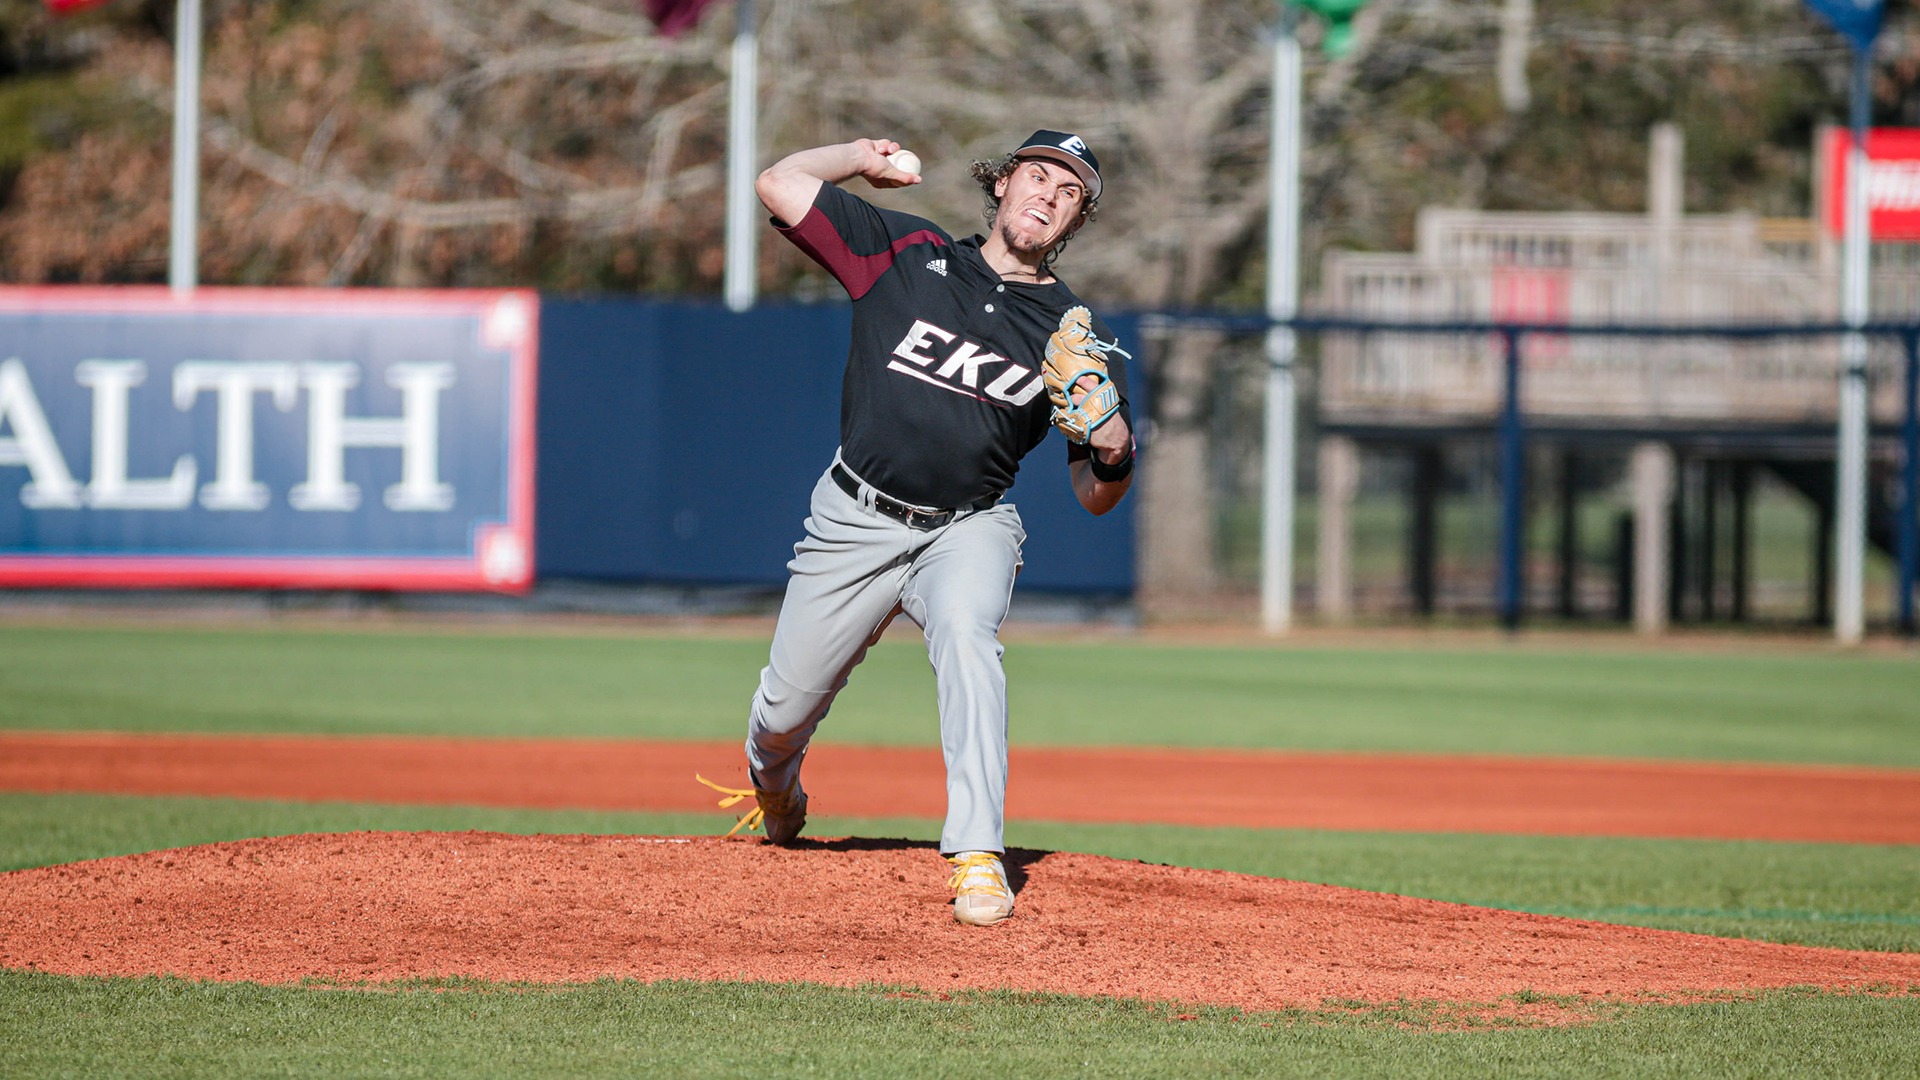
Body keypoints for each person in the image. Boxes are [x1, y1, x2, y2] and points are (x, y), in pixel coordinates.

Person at [726, 130, 1135, 926]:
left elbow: (1094, 495)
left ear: (1076, 221)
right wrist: (859, 159)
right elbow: (776, 181)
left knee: (968, 636)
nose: (1048, 195)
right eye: (1038, 175)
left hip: (969, 526)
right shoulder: (904, 252)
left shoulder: (1067, 330)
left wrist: (1115, 448)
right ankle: (777, 787)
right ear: (1003, 183)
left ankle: (978, 853)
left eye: (1069, 192)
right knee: (779, 718)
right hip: (855, 516)